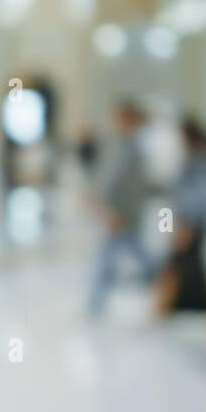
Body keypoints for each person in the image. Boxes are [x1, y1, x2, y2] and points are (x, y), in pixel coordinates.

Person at [87, 99, 158, 319]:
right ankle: (162, 287)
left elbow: (123, 182)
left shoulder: (134, 146)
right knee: (136, 257)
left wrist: (114, 210)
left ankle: (95, 305)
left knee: (110, 259)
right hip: (124, 214)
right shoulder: (125, 144)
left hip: (124, 214)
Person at [155, 116, 206, 314]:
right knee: (191, 265)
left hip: (190, 222)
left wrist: (187, 224)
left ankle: (173, 305)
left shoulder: (198, 160)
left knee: (181, 264)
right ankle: (191, 304)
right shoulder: (197, 157)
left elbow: (196, 194)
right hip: (190, 220)